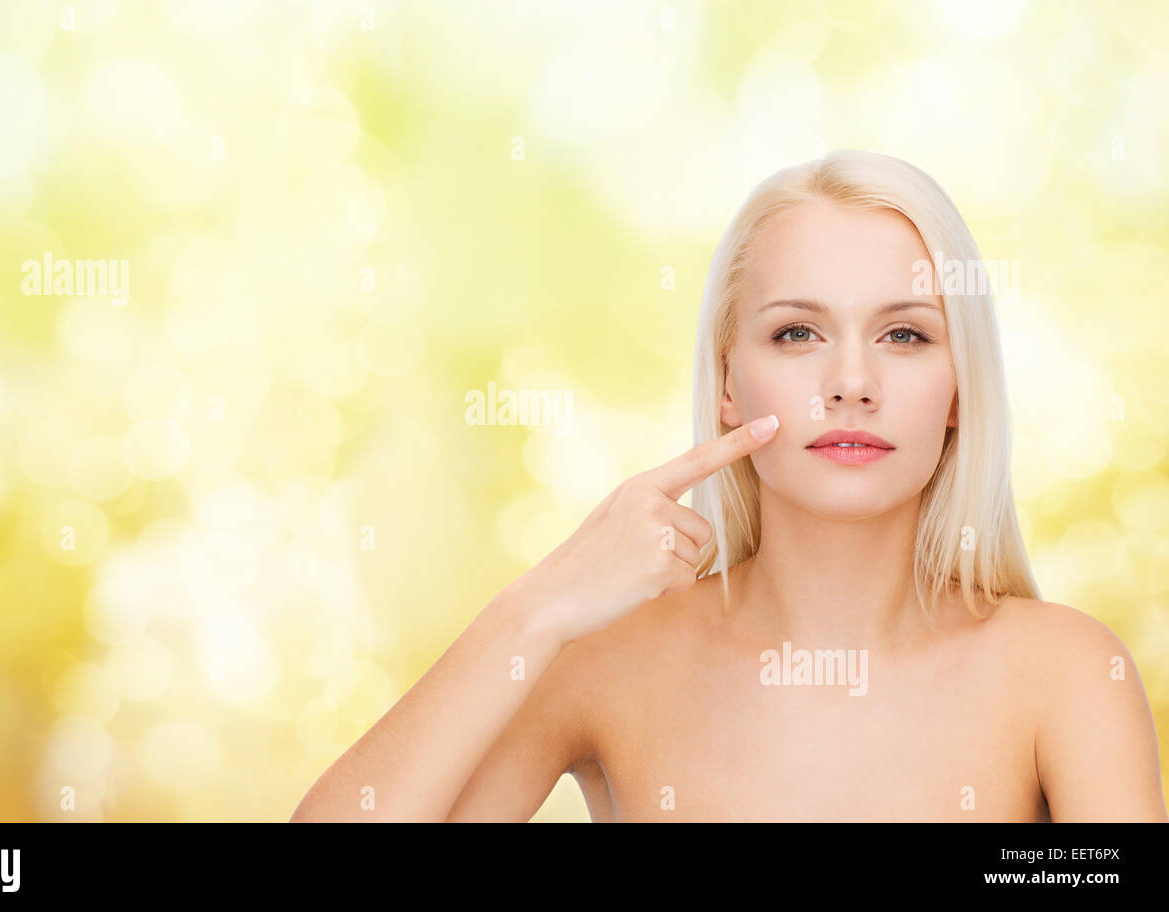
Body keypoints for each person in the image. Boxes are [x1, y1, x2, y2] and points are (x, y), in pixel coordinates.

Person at [291, 150, 1168, 822]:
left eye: (903, 336)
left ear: (960, 389)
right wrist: (538, 607)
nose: (852, 382)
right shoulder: (603, 661)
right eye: (796, 334)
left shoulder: (1068, 675)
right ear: (725, 382)